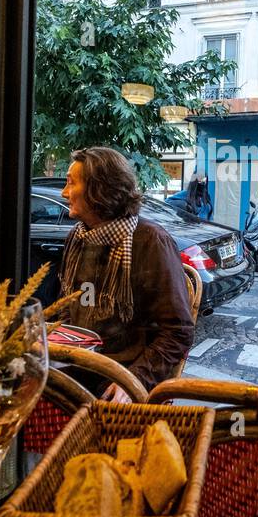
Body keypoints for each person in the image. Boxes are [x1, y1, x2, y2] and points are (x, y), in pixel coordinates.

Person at [58, 147, 194, 389]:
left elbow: (177, 332)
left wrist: (133, 381)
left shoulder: (151, 241)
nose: (64, 192)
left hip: (124, 374)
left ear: (100, 190)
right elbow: (67, 304)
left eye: (71, 184)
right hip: (80, 366)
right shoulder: (77, 237)